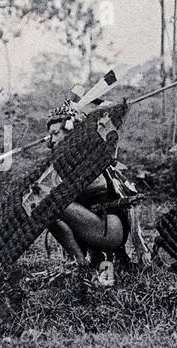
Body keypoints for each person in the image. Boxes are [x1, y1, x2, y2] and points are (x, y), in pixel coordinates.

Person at [42, 96, 146, 271]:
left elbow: (99, 184)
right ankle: (85, 261)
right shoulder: (66, 162)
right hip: (95, 227)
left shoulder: (88, 157)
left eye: (56, 133)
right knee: (46, 206)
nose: (51, 140)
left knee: (49, 204)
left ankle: (83, 264)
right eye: (50, 135)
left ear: (70, 132)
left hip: (109, 229)